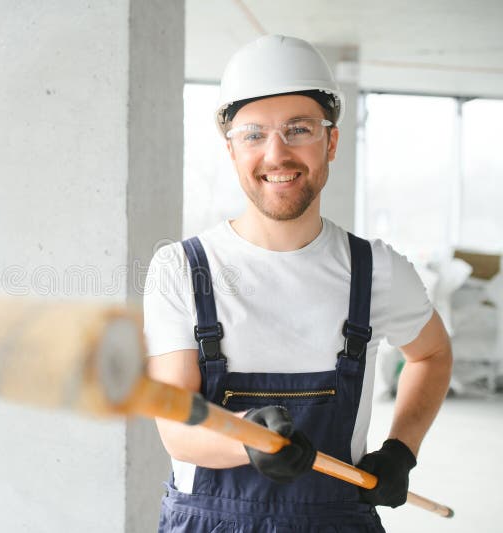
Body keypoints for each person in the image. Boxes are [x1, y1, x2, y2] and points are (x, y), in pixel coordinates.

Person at [143, 34, 453, 532]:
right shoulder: (180, 268)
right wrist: (245, 438)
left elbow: (432, 354)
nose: (276, 154)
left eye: (298, 129)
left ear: (331, 141)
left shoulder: (376, 270)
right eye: (253, 134)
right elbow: (176, 424)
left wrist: (401, 449)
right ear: (231, 150)